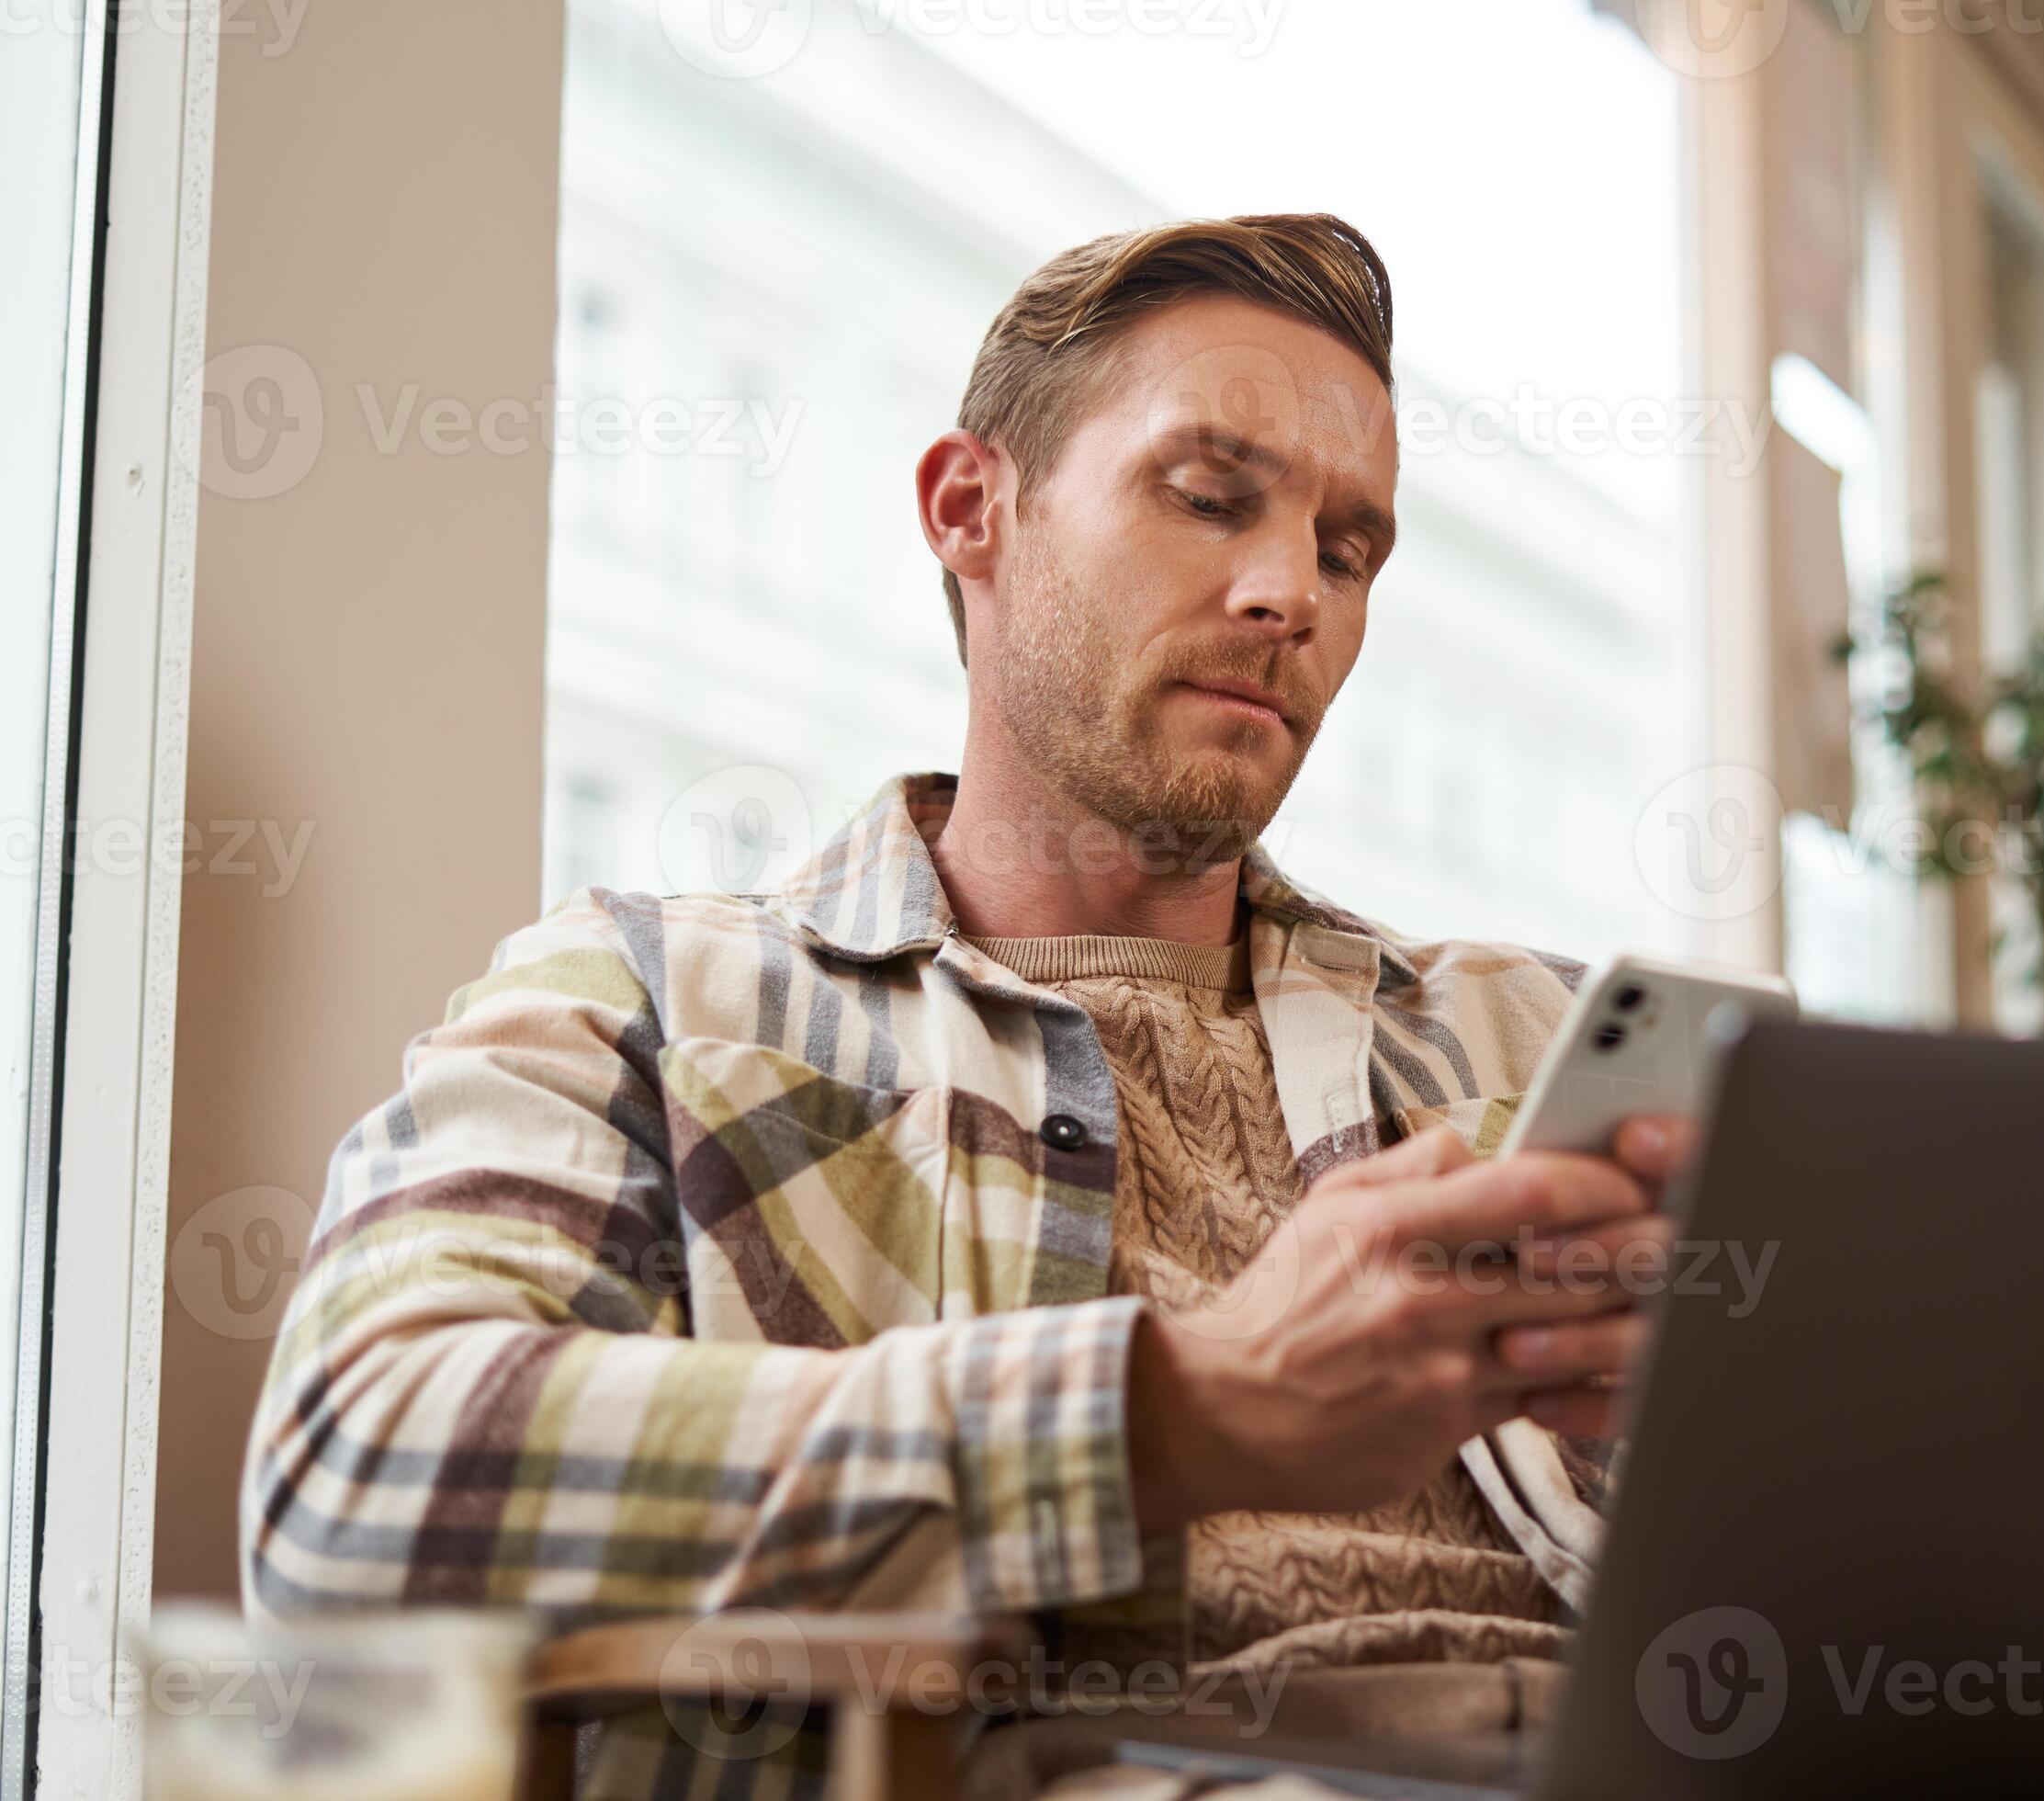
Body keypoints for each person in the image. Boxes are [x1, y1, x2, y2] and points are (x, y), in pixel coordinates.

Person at [241, 213, 1689, 1800]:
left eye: (1348, 552)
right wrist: (1175, 1414)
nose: (1293, 594)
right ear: (971, 507)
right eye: (1209, 498)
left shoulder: (1529, 1041)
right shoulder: (656, 1003)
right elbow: (354, 1481)